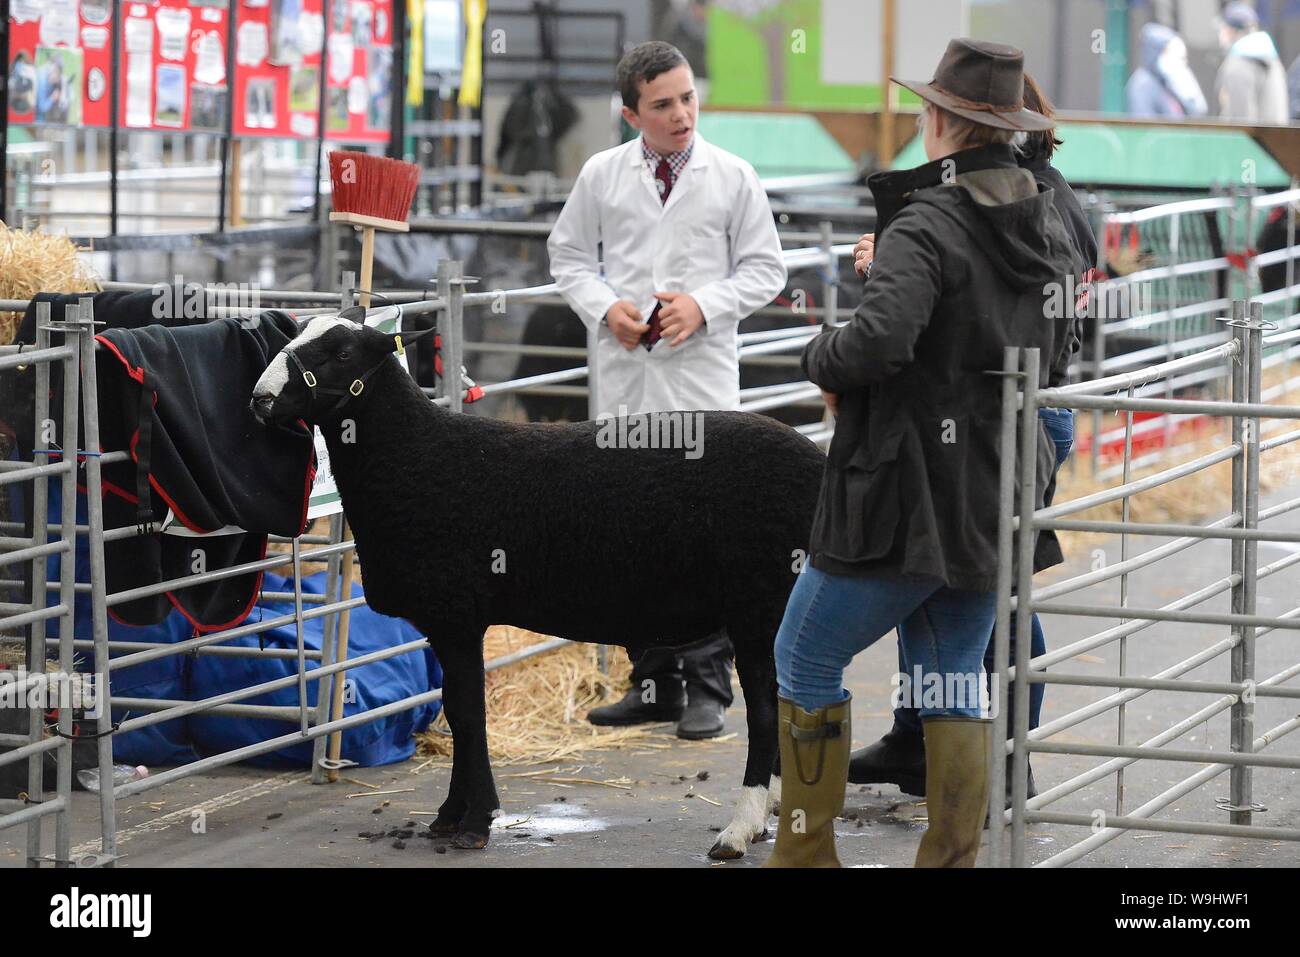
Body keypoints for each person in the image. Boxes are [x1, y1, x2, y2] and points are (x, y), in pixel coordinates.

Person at [763, 38, 1076, 868]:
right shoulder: (1047, 217)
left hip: (902, 491)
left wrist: (820, 353)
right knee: (951, 673)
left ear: (940, 119)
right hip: (997, 488)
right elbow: (1059, 344)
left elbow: (879, 343)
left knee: (803, 654)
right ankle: (948, 858)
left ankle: (806, 854)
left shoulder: (928, 220)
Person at [845, 73, 1095, 810]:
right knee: (951, 576)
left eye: (943, 113)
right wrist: (897, 262)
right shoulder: (1025, 193)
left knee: (994, 590)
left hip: (1008, 408)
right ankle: (920, 736)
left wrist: (896, 269)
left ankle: (1004, 761)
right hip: (1000, 406)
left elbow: (1019, 311)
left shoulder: (1029, 199)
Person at [547, 40, 787, 740]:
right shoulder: (601, 174)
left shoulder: (732, 175)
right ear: (631, 114)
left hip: (699, 372)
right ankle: (652, 682)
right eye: (662, 104)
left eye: (687, 97)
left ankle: (710, 688)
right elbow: (567, 255)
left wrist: (705, 305)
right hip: (627, 375)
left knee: (703, 528)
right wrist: (604, 308)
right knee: (628, 524)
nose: (681, 113)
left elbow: (766, 267)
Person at [1214, 2, 1289, 123]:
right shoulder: (1272, 59)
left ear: (1229, 30)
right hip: (1275, 140)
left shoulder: (1238, 64)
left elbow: (1240, 120)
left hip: (1252, 140)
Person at [1126, 22, 1208, 118]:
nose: (1182, 64)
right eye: (1178, 57)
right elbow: (1145, 126)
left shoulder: (1169, 82)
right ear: (1157, 54)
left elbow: (1197, 110)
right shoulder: (1142, 85)